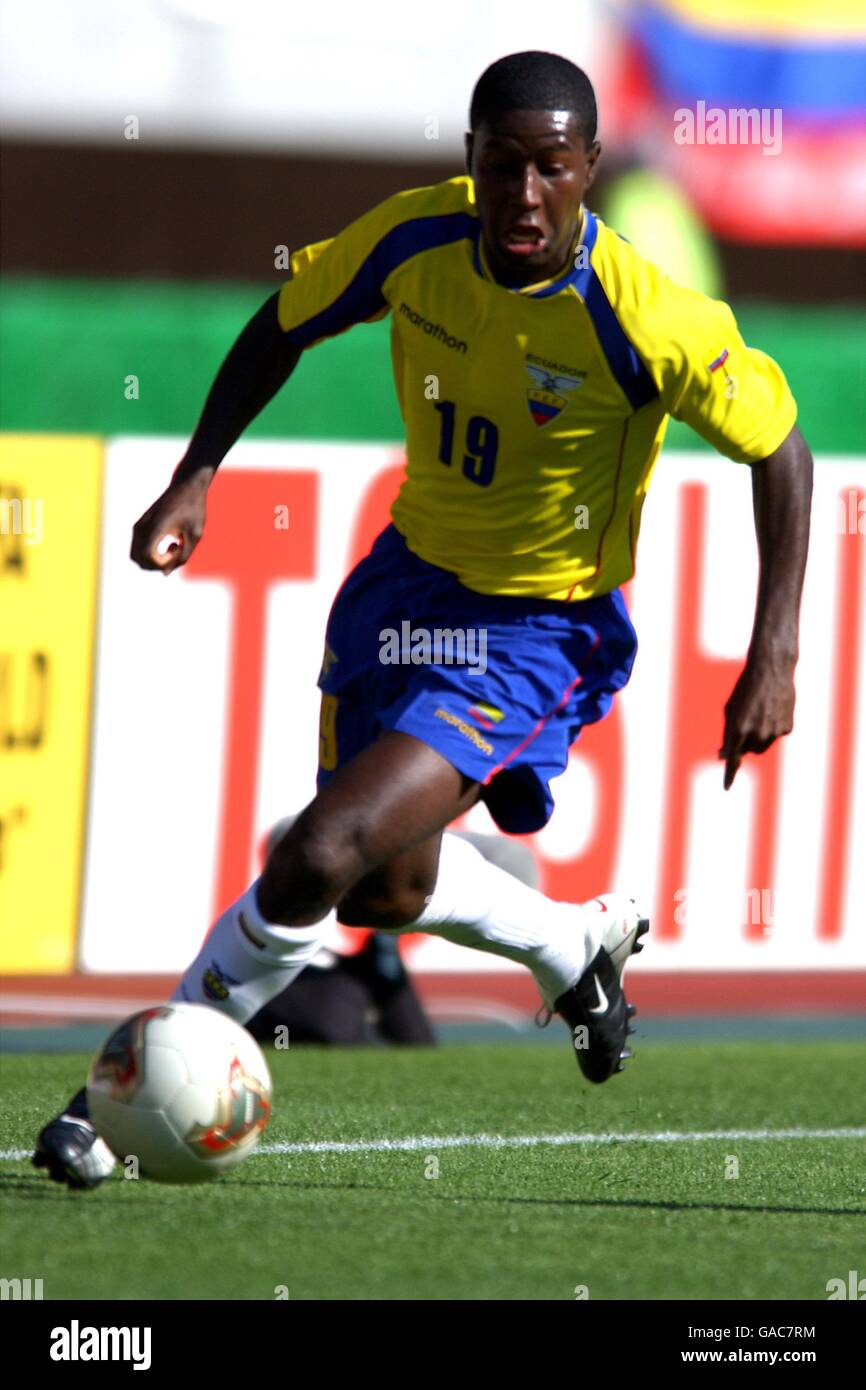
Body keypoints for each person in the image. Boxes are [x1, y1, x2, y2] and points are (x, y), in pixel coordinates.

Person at [34, 50, 812, 1189]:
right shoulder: (413, 239)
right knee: (383, 889)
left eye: (553, 168)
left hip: (540, 627)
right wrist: (197, 471)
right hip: (404, 588)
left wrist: (773, 651)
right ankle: (571, 943)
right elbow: (283, 319)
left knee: (317, 850)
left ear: (590, 168)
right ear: (470, 162)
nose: (525, 196)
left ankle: (112, 1099)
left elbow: (780, 449)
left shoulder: (646, 315)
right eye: (502, 167)